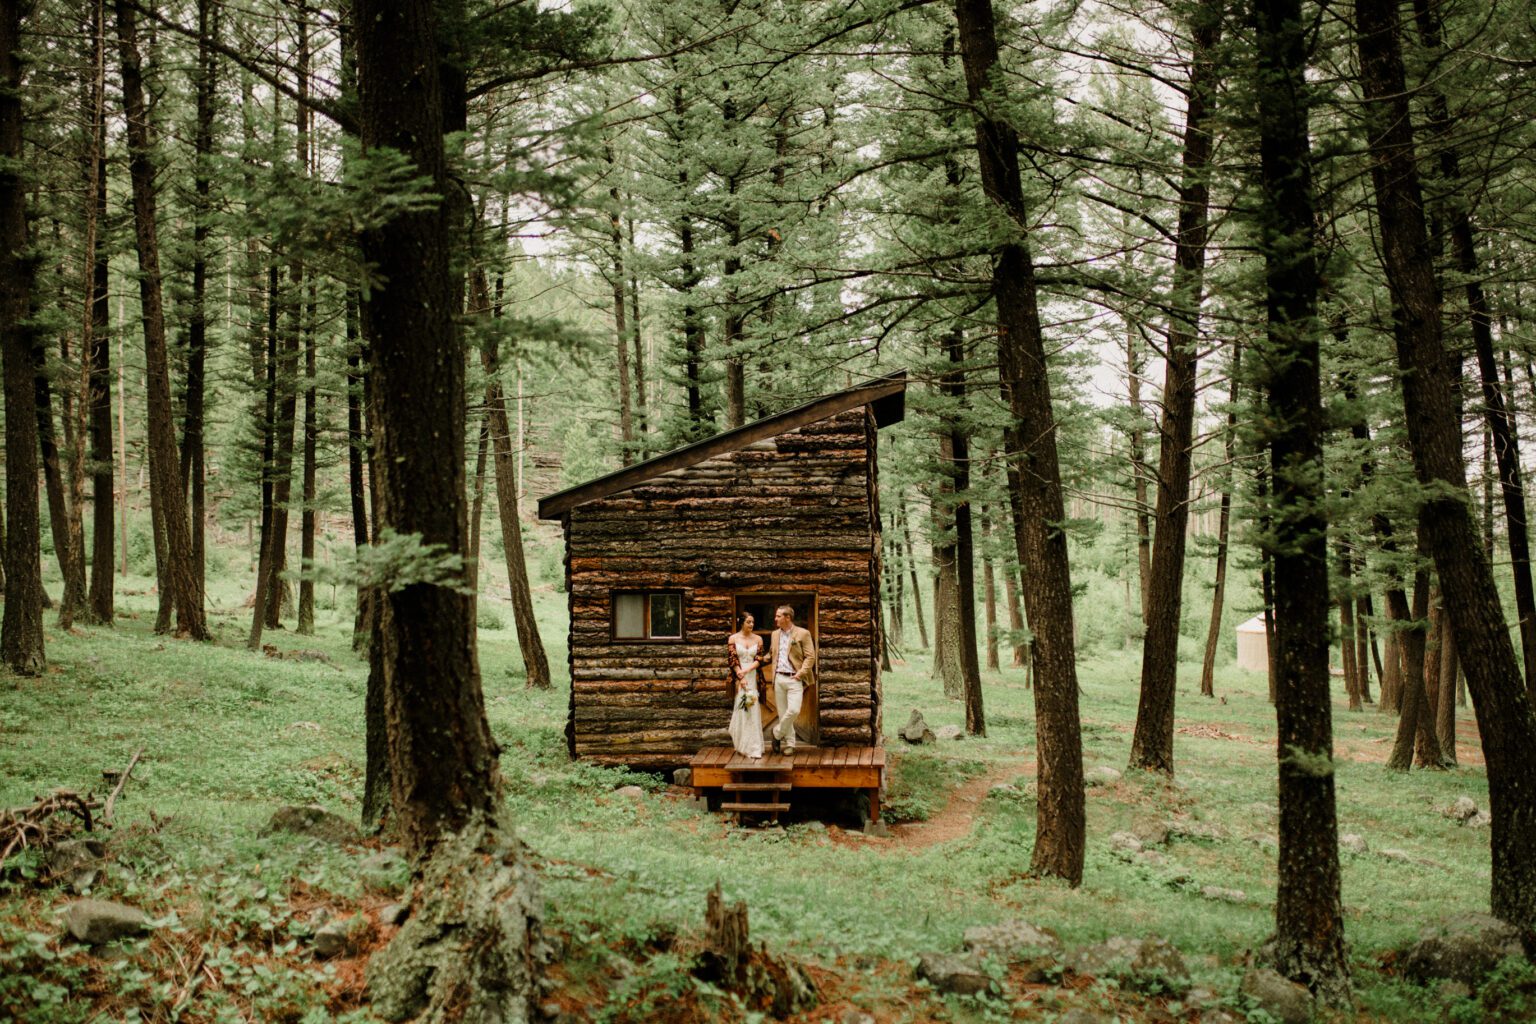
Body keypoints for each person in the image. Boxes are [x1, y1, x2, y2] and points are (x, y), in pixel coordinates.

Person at [766, 604, 816, 755]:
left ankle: (776, 733)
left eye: (778, 616)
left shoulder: (803, 633)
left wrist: (801, 673)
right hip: (779, 678)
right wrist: (759, 658)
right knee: (783, 714)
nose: (775, 619)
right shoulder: (775, 634)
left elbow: (810, 656)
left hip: (795, 678)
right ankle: (790, 745)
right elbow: (772, 654)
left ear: (787, 617)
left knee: (793, 710)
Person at [727, 613, 764, 759]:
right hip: (739, 676)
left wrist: (747, 671)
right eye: (748, 622)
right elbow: (732, 659)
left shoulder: (758, 639)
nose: (751, 625)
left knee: (752, 706)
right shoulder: (733, 638)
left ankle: (753, 746)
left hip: (752, 675)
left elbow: (759, 658)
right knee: (742, 707)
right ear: (742, 623)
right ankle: (741, 743)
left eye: (753, 622)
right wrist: (740, 676)